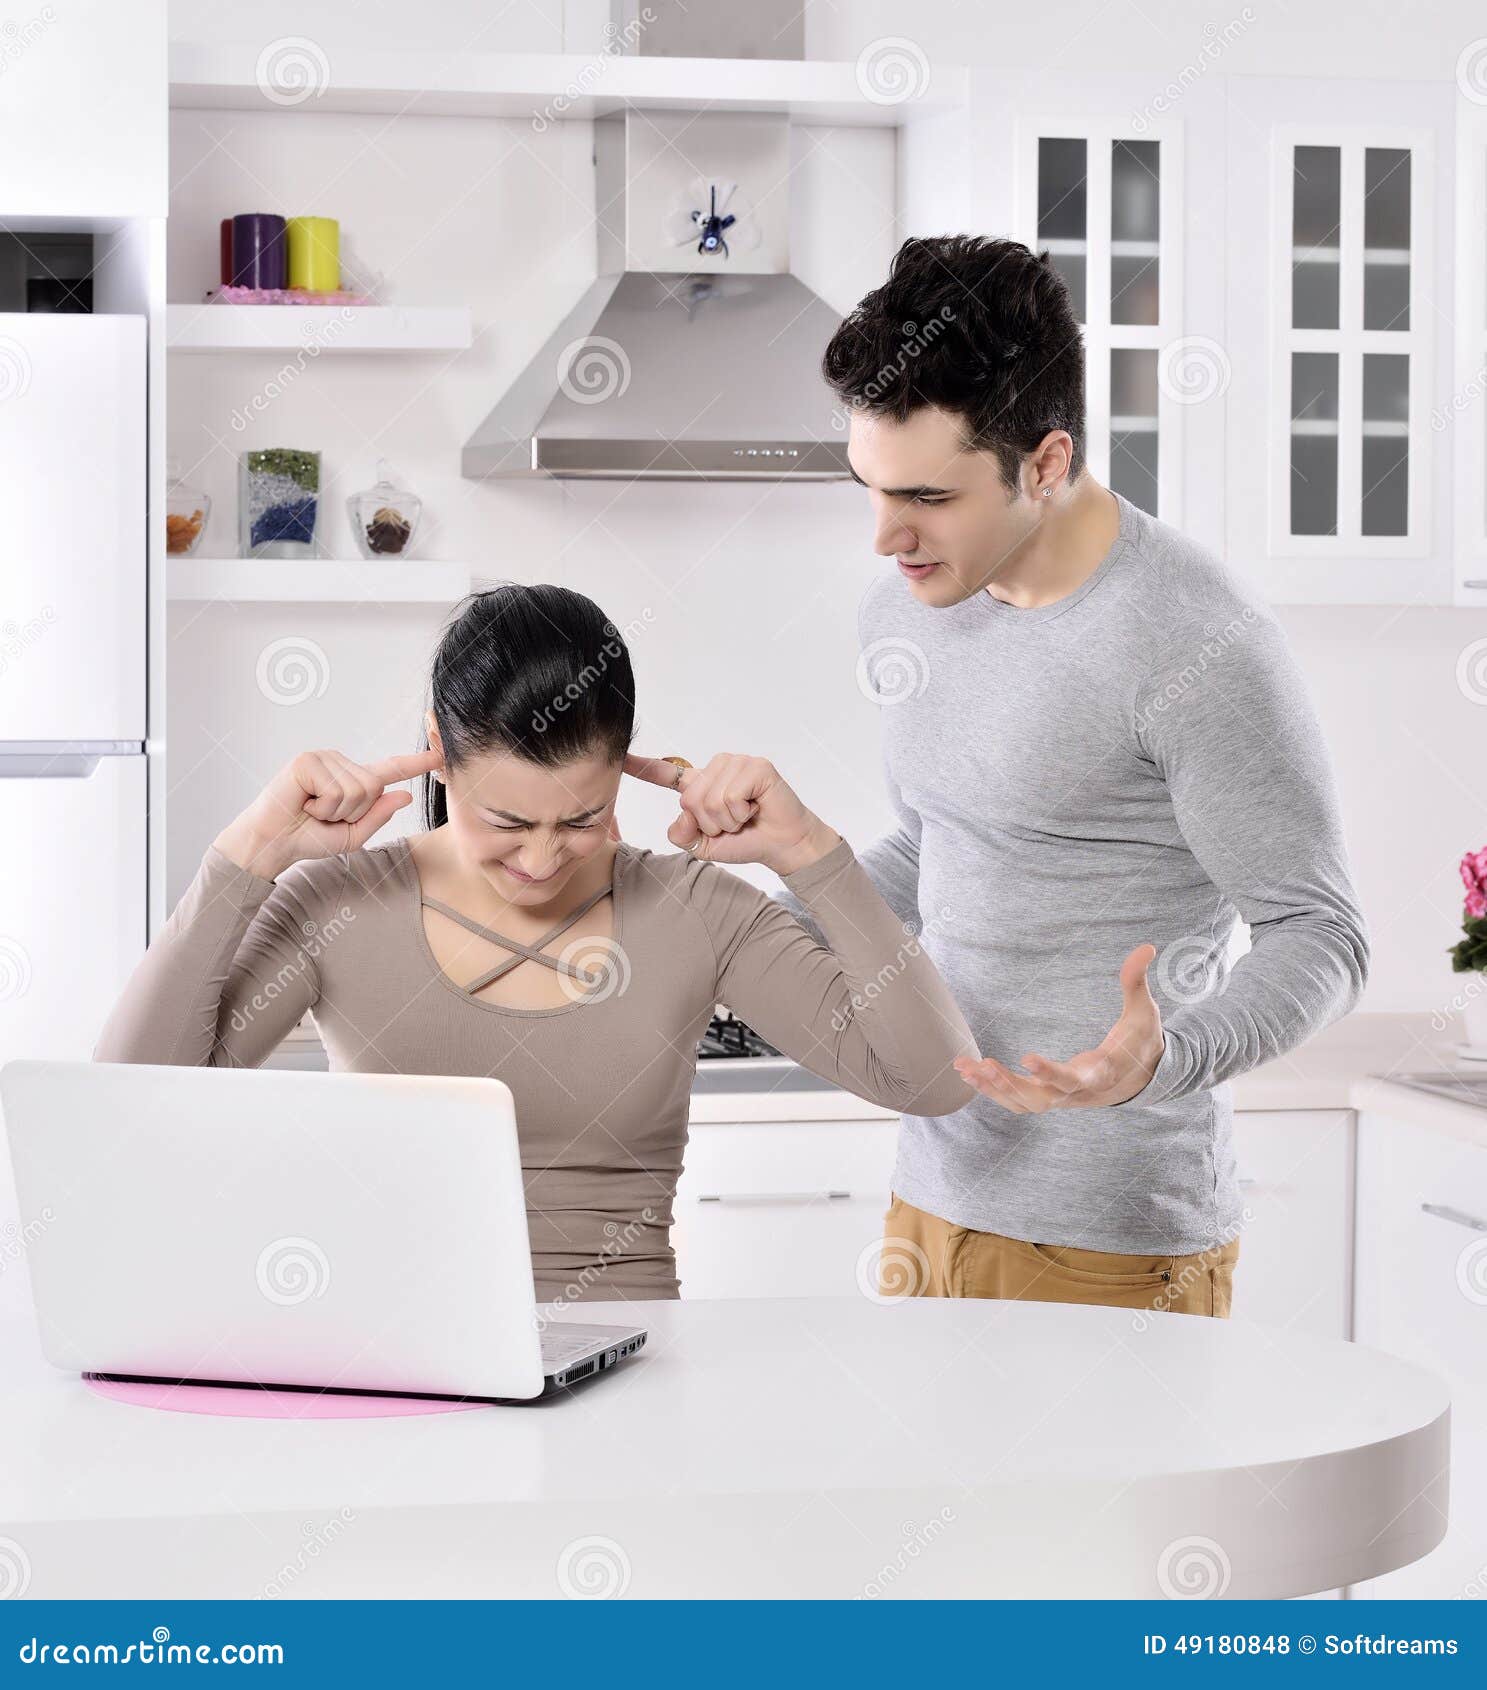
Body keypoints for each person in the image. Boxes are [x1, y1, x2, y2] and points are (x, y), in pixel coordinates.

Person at [776, 233, 1371, 1318]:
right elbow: (940, 838)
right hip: (929, 1200)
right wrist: (759, 926)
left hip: (1111, 1235)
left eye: (925, 496)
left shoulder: (1196, 643)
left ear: (1043, 464)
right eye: (865, 487)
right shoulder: (912, 603)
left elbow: (1319, 933)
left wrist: (1164, 1058)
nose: (883, 538)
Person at [93, 583, 978, 1303]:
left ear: (627, 765)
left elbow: (932, 1082)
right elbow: (130, 1114)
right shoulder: (338, 900)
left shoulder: (698, 908)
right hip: (395, 1366)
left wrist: (811, 855)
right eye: (506, 821)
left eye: (583, 818)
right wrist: (245, 857)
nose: (543, 857)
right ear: (439, 754)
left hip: (629, 1375)